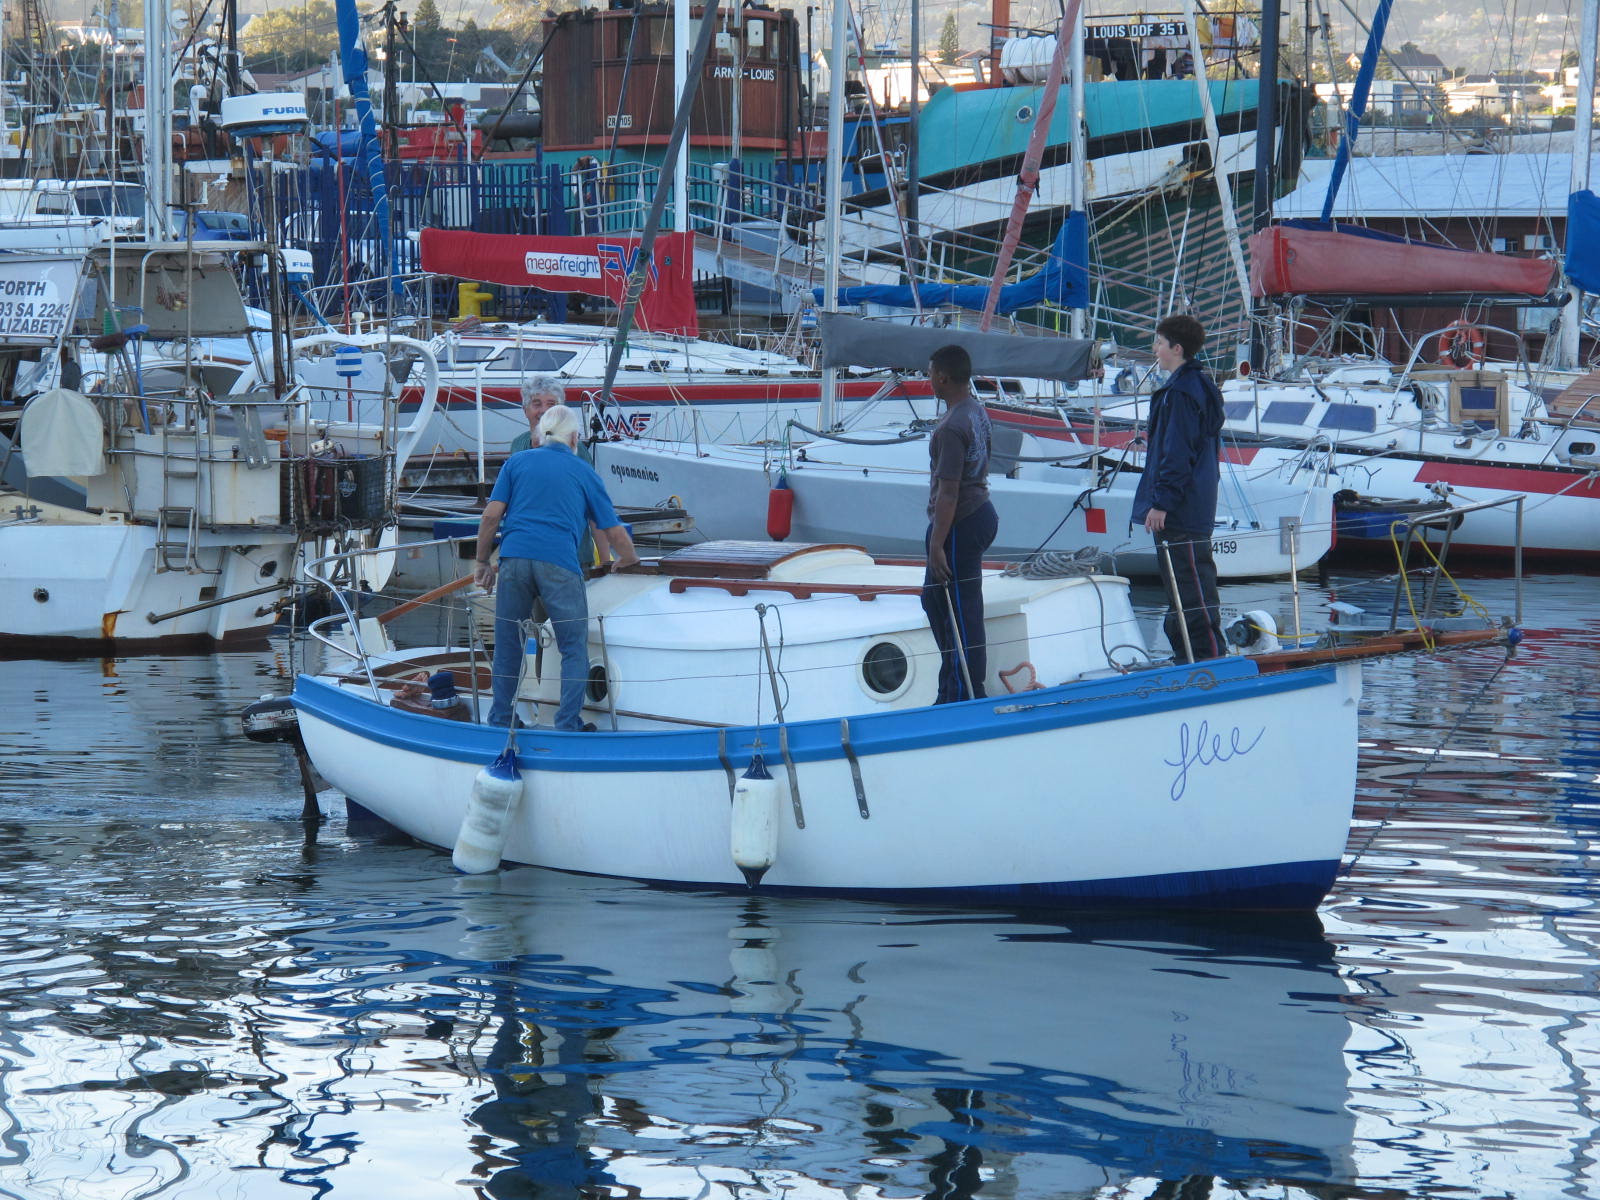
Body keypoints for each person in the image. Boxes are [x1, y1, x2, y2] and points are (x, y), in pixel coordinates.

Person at [474, 405, 641, 730]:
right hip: (559, 564)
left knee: (509, 645)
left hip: (514, 560)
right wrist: (629, 559)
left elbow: (491, 516)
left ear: (540, 435)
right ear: (575, 438)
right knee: (572, 647)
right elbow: (611, 528)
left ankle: (501, 719)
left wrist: (482, 561)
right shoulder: (583, 471)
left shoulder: (516, 462)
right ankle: (567, 724)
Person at [1131, 313, 1226, 663]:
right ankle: (1187, 655)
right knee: (1182, 585)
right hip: (1191, 505)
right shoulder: (1191, 387)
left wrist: (1162, 503)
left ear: (1177, 348)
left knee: (1189, 585)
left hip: (1182, 509)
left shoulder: (1182, 393)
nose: (1155, 349)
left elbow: (1177, 453)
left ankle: (1206, 658)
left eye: (1159, 342)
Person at [920, 343, 998, 704]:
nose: (928, 379)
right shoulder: (976, 411)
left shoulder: (951, 427)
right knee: (936, 600)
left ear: (943, 378)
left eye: (930, 373)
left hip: (960, 522)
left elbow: (949, 492)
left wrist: (937, 544)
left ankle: (963, 691)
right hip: (980, 512)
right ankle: (953, 684)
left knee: (960, 612)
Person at [508, 376, 563, 454]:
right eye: (537, 404)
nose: (544, 410)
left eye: (551, 404)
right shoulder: (517, 444)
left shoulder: (575, 447)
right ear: (525, 410)